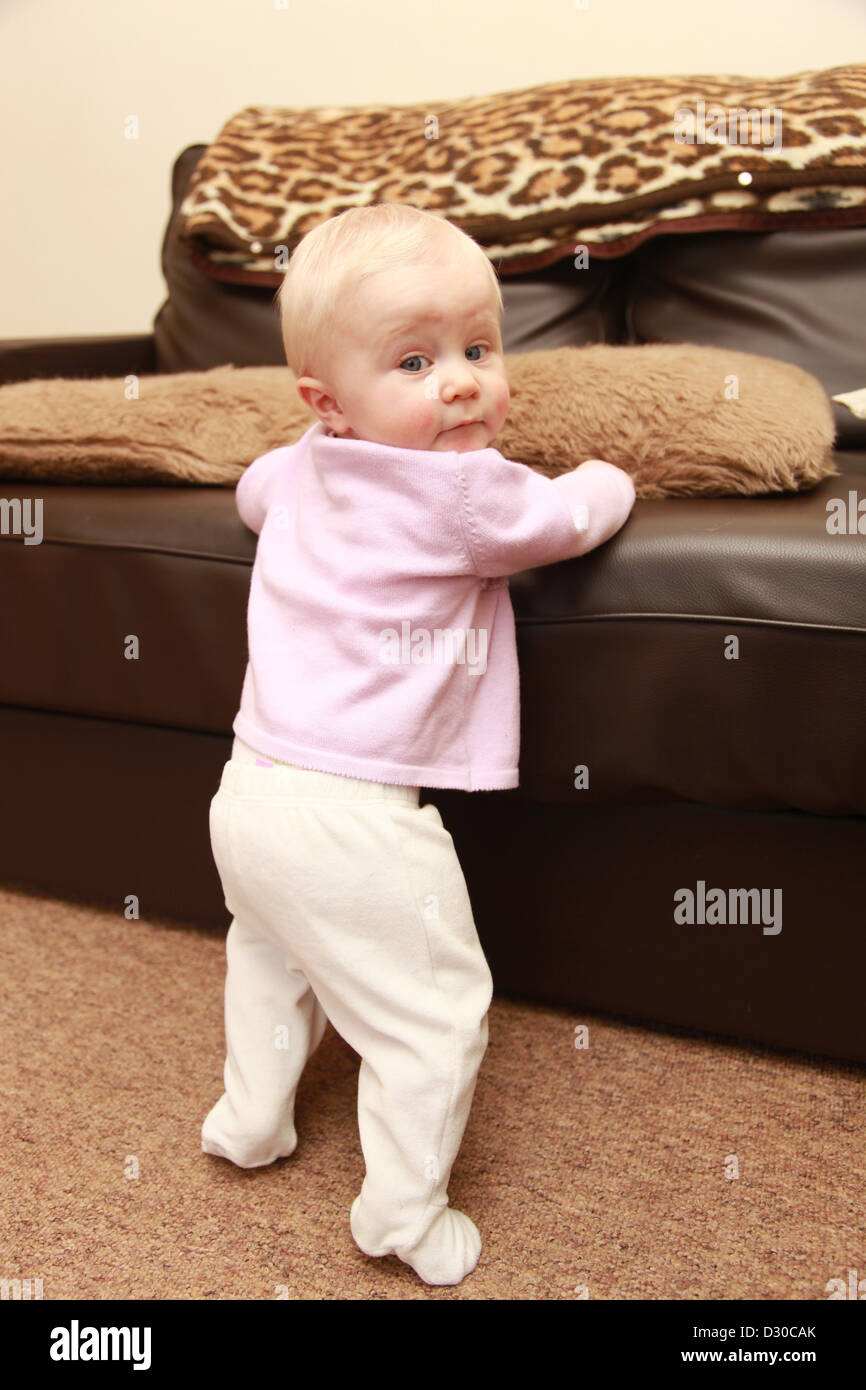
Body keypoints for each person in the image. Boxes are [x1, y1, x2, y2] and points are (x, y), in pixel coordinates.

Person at [201, 202, 636, 1286]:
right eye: (413, 360)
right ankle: (401, 1212)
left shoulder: (299, 466)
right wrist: (610, 476)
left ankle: (249, 1120)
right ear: (327, 400)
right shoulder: (462, 491)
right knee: (432, 1013)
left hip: (246, 794)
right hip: (353, 822)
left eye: (479, 349)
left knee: (272, 959)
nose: (459, 381)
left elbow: (256, 492)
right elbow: (570, 516)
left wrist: (310, 476)